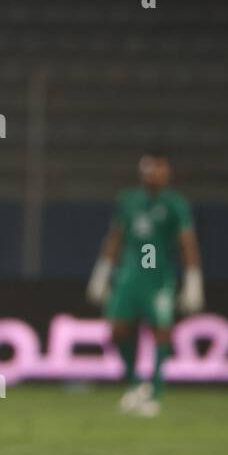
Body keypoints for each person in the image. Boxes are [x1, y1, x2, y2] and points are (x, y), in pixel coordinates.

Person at [86, 151, 203, 417]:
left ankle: (156, 392)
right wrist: (102, 272)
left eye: (160, 169)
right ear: (142, 171)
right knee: (117, 330)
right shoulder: (128, 200)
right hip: (130, 274)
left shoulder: (175, 204)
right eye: (151, 168)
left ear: (167, 172)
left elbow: (187, 242)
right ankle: (135, 384)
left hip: (159, 276)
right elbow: (115, 236)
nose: (155, 174)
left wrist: (193, 279)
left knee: (161, 331)